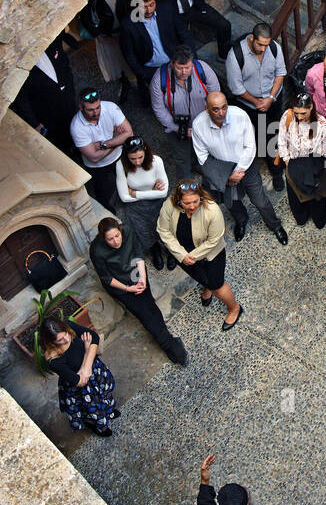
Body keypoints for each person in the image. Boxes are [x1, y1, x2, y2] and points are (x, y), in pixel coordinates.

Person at [192, 91, 288, 244]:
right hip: (222, 172)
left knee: (260, 200)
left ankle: (275, 225)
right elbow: (202, 157)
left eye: (224, 107)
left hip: (246, 168)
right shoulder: (198, 125)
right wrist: (226, 176)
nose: (221, 113)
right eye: (216, 109)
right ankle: (241, 221)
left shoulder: (240, 116)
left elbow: (250, 146)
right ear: (207, 109)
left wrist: (239, 171)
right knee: (231, 203)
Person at [89, 218, 187, 365]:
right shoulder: (96, 250)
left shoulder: (128, 230)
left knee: (151, 307)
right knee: (145, 316)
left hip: (137, 275)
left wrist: (142, 278)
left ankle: (168, 338)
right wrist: (129, 288)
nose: (116, 241)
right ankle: (170, 347)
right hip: (121, 287)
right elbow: (106, 278)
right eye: (110, 239)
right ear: (103, 239)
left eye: (117, 236)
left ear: (120, 230)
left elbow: (138, 253)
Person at [158, 181, 242, 329]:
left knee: (217, 286)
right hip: (183, 255)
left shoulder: (212, 210)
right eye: (187, 203)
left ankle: (235, 308)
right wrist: (182, 255)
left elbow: (214, 240)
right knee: (203, 278)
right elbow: (163, 230)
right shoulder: (169, 205)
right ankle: (206, 286)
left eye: (195, 201)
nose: (192, 206)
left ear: (201, 197)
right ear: (178, 200)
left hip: (210, 254)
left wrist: (192, 256)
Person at [225, 22, 286, 190]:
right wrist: (257, 102)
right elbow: (236, 87)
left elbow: (280, 72)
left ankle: (276, 171)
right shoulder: (236, 55)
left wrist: (271, 98)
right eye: (260, 44)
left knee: (273, 132)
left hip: (272, 98)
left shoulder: (274, 48)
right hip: (250, 103)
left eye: (266, 44)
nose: (264, 48)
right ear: (252, 38)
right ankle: (260, 163)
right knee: (259, 135)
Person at [40, 317, 117, 437]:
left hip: (93, 372)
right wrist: (87, 352)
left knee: (104, 394)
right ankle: (99, 427)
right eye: (60, 340)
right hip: (81, 389)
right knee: (93, 409)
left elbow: (94, 337)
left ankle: (109, 410)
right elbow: (80, 381)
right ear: (51, 342)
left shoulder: (67, 325)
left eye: (65, 334)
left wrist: (86, 368)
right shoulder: (53, 360)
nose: (66, 339)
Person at [120, 0, 193, 100]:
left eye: (151, 5)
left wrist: (189, 56)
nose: (149, 10)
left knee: (188, 92)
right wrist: (142, 73)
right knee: (162, 98)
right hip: (150, 69)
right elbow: (129, 54)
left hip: (175, 61)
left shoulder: (166, 9)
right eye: (144, 7)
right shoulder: (128, 24)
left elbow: (183, 33)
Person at [11, 33, 78, 156]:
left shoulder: (51, 42)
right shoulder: (18, 64)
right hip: (46, 112)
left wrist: (69, 89)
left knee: (73, 127)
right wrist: (34, 123)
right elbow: (21, 98)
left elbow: (63, 63)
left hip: (67, 101)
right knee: (57, 141)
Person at [70, 88, 133, 210]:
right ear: (81, 107)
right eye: (90, 110)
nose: (95, 112)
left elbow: (129, 133)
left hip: (118, 156)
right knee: (103, 196)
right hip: (97, 167)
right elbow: (94, 157)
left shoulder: (110, 108)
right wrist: (116, 140)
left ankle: (132, 201)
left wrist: (103, 145)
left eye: (98, 107)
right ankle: (111, 219)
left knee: (129, 180)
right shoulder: (76, 126)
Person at [277, 89, 326, 228]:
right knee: (296, 200)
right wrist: (287, 160)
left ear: (311, 107)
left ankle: (318, 218)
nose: (299, 117)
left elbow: (324, 150)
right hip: (293, 164)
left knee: (317, 200)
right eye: (296, 113)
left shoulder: (322, 124)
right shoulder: (287, 116)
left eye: (303, 113)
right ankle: (302, 216)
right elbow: (282, 141)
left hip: (313, 166)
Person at [115, 136, 169, 270]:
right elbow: (123, 197)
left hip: (157, 204)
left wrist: (135, 193)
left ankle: (170, 252)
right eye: (132, 158)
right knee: (144, 232)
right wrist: (152, 192)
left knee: (165, 228)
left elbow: (163, 192)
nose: (137, 162)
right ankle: (155, 250)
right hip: (136, 209)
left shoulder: (157, 161)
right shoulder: (121, 165)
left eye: (140, 157)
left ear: (145, 151)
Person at [149, 44, 220, 144]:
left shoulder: (203, 69)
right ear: (171, 64)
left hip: (207, 123)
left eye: (188, 67)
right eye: (179, 68)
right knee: (183, 158)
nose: (184, 72)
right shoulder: (158, 80)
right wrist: (178, 129)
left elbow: (216, 95)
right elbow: (159, 109)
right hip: (177, 128)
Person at [78, 0, 132, 97]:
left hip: (123, 32)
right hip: (106, 36)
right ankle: (123, 82)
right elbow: (86, 18)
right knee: (115, 62)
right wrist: (99, 35)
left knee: (127, 57)